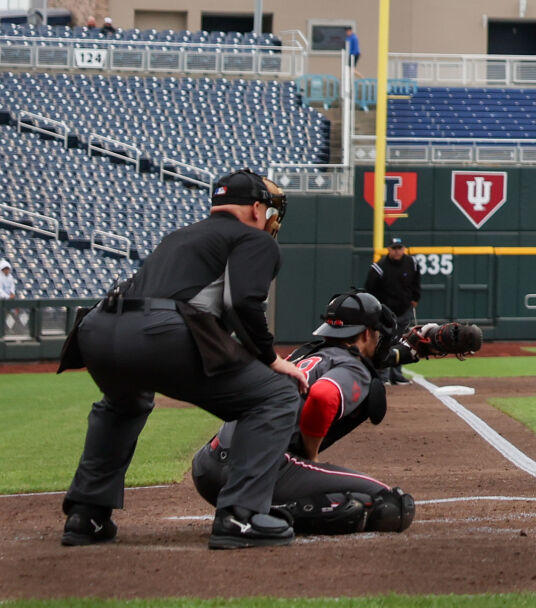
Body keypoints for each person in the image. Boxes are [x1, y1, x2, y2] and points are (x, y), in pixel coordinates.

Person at [59, 170, 309, 549]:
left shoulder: (181, 234)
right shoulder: (253, 239)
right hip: (157, 331)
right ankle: (241, 516)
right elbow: (240, 302)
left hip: (97, 328)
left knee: (125, 403)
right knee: (276, 394)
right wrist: (269, 358)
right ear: (257, 208)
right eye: (268, 209)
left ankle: (86, 514)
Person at [190, 290, 416, 535]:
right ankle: (270, 512)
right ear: (365, 334)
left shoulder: (302, 355)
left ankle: (256, 508)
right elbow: (323, 396)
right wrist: (311, 453)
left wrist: (419, 350)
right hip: (256, 473)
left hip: (208, 466)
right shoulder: (353, 366)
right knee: (392, 504)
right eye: (377, 333)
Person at [364, 237, 420, 383]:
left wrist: (415, 298)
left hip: (404, 308)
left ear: (404, 248)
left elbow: (416, 282)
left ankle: (397, 374)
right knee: (384, 342)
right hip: (386, 311)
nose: (397, 251)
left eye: (399, 248)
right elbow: (369, 288)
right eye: (394, 248)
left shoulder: (411, 263)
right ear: (389, 249)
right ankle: (382, 376)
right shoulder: (380, 267)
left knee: (402, 341)